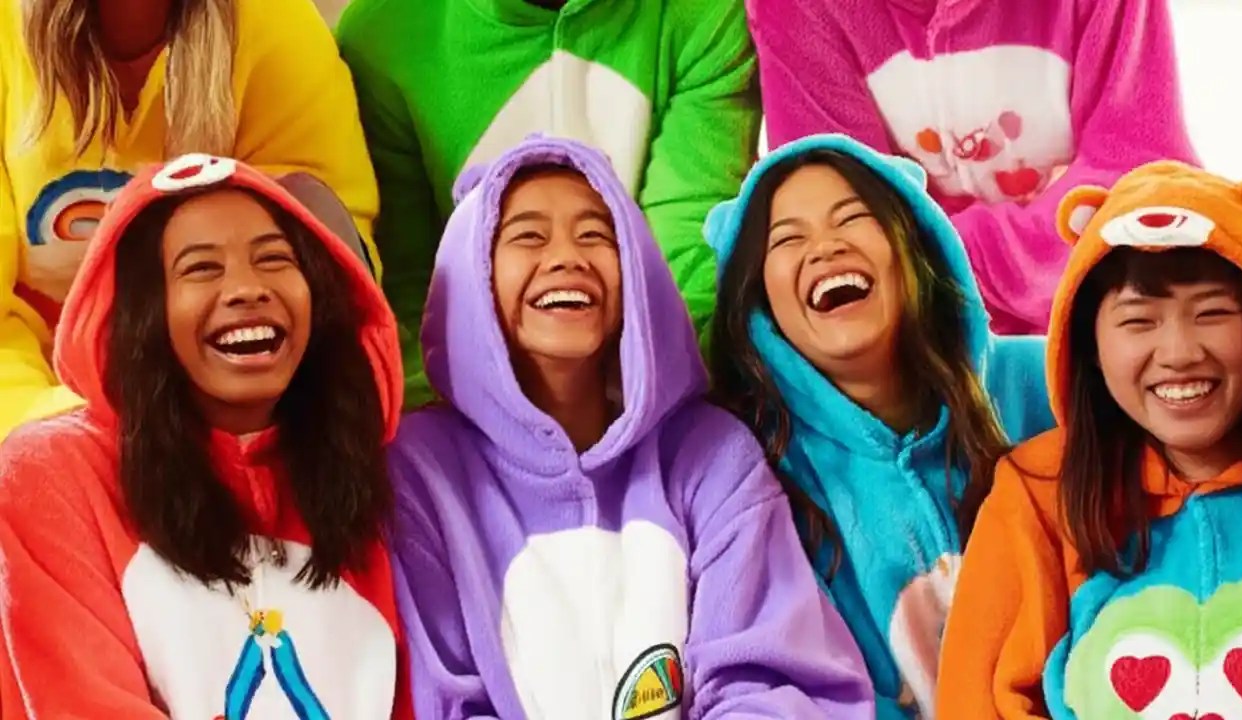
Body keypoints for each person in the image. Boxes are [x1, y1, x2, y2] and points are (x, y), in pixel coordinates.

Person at [389, 136, 874, 718]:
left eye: (596, 234)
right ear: (472, 273)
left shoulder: (709, 453)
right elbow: (439, 695)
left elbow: (767, 678)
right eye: (527, 235)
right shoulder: (419, 468)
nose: (567, 256)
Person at [0, 155, 408, 718]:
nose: (247, 288)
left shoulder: (376, 480)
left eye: (273, 260)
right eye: (201, 269)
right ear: (143, 312)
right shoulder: (50, 474)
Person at [704, 133, 1056, 718]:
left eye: (852, 218)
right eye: (788, 238)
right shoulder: (753, 476)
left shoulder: (1046, 384)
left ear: (915, 246)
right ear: (758, 300)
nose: (825, 247)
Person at [937, 161, 1242, 718]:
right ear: (1087, 342)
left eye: (1213, 313)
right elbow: (977, 701)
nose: (1179, 352)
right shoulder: (1039, 493)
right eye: (1139, 320)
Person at [336, 0, 761, 407]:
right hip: (458, 425)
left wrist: (664, 430)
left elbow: (689, 262)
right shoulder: (381, 36)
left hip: (653, 412)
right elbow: (407, 298)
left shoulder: (704, 12)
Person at [0, 0, 380, 439]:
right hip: (34, 434)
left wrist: (198, 435)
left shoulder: (278, 30)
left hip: (230, 424)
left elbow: (328, 298)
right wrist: (77, 435)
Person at [745, 0, 1199, 335]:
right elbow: (834, 224)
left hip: (1107, 319)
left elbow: (1144, 188)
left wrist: (928, 254)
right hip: (924, 348)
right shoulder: (794, 10)